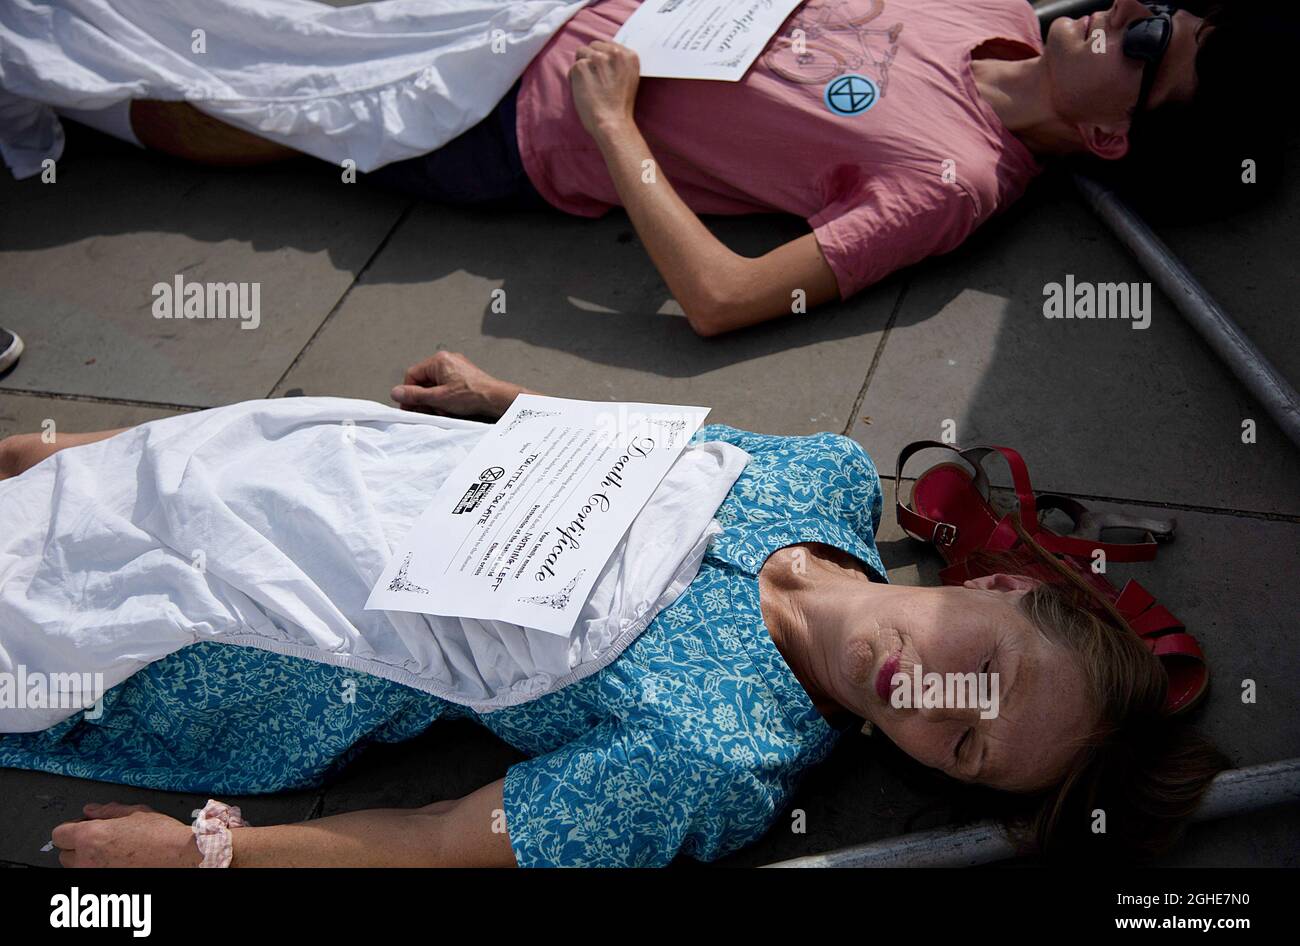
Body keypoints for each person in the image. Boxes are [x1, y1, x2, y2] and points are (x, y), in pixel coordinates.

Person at [0, 351, 1227, 867]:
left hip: (224, 628)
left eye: (965, 746)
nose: (937, 705)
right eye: (989, 673)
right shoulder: (827, 472)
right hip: (306, 456)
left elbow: (440, 845)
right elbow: (647, 451)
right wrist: (504, 400)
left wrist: (206, 856)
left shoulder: (714, 763)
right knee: (30, 456)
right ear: (1005, 588)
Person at [94, 0, 1271, 336]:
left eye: (1149, 43)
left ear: (1116, 138)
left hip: (511, 115)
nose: (1129, 9)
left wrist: (615, 130)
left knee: (201, 83)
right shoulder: (993, 5)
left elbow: (721, 300)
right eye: (1157, 6)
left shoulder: (952, 178)